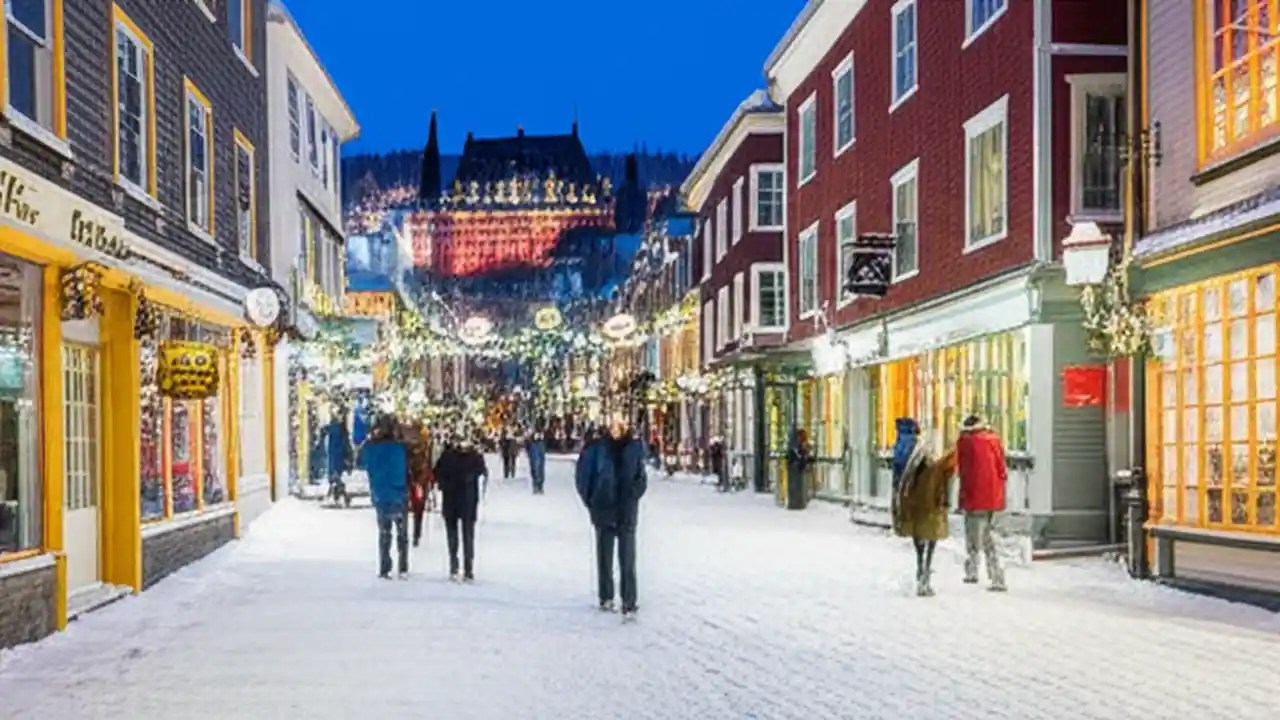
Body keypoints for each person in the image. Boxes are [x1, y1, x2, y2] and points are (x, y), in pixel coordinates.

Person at [576, 416, 647, 619]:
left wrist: (632, 495)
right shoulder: (596, 449)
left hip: (626, 510)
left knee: (628, 558)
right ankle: (606, 595)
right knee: (605, 556)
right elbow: (583, 478)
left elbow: (641, 478)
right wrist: (592, 500)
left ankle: (629, 601)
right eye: (614, 425)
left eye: (621, 425)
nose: (617, 429)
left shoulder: (633, 449)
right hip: (604, 508)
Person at [893, 428, 958, 597]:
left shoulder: (913, 455)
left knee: (920, 539)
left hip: (915, 503)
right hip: (931, 505)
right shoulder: (938, 467)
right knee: (931, 538)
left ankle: (921, 567)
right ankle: (925, 573)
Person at [957, 414, 1008, 592]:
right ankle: (997, 576)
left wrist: (962, 498)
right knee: (991, 536)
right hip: (995, 497)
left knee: (973, 536)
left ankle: (972, 570)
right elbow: (1002, 468)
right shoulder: (994, 440)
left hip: (974, 497)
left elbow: (963, 471)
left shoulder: (965, 442)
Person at [434, 434, 486, 582]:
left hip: (451, 500)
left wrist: (444, 485)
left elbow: (437, 474)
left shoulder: (447, 456)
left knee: (454, 535)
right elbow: (481, 471)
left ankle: (455, 566)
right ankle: (467, 569)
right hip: (467, 500)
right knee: (467, 535)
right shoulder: (474, 456)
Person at [363, 415, 409, 579]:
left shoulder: (371, 448)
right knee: (402, 533)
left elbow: (365, 464)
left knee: (384, 532)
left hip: (380, 494)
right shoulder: (400, 448)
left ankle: (385, 566)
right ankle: (402, 566)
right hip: (399, 493)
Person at [325, 407, 353, 505]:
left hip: (336, 455)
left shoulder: (335, 427)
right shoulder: (340, 428)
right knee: (336, 477)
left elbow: (343, 443)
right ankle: (342, 496)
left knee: (335, 476)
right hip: (337, 455)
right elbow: (345, 444)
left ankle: (340, 496)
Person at [785, 427, 811, 510]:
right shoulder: (795, 448)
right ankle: (798, 501)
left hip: (799, 470)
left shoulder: (802, 447)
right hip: (797, 470)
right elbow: (797, 458)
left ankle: (800, 501)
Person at [526, 419, 547, 494]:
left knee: (539, 465)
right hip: (535, 446)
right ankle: (537, 484)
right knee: (536, 465)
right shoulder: (530, 430)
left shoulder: (542, 431)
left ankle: (539, 485)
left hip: (538, 446)